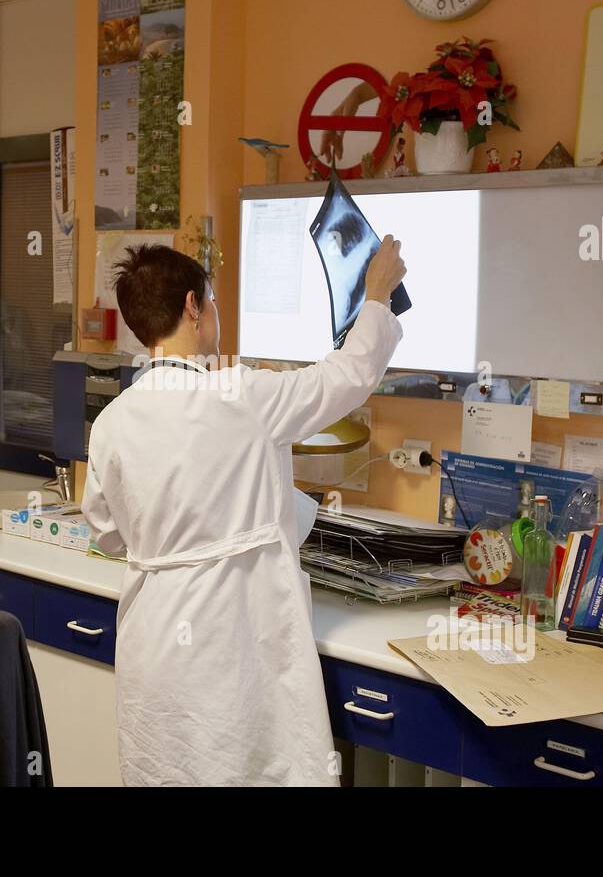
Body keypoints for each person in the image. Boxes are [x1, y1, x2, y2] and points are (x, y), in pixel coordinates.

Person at [81, 238, 406, 786]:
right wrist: (376, 296)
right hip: (233, 644)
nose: (214, 314)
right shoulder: (244, 395)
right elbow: (345, 377)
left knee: (168, 770)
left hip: (156, 642)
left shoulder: (112, 421)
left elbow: (109, 534)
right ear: (192, 306)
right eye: (211, 301)